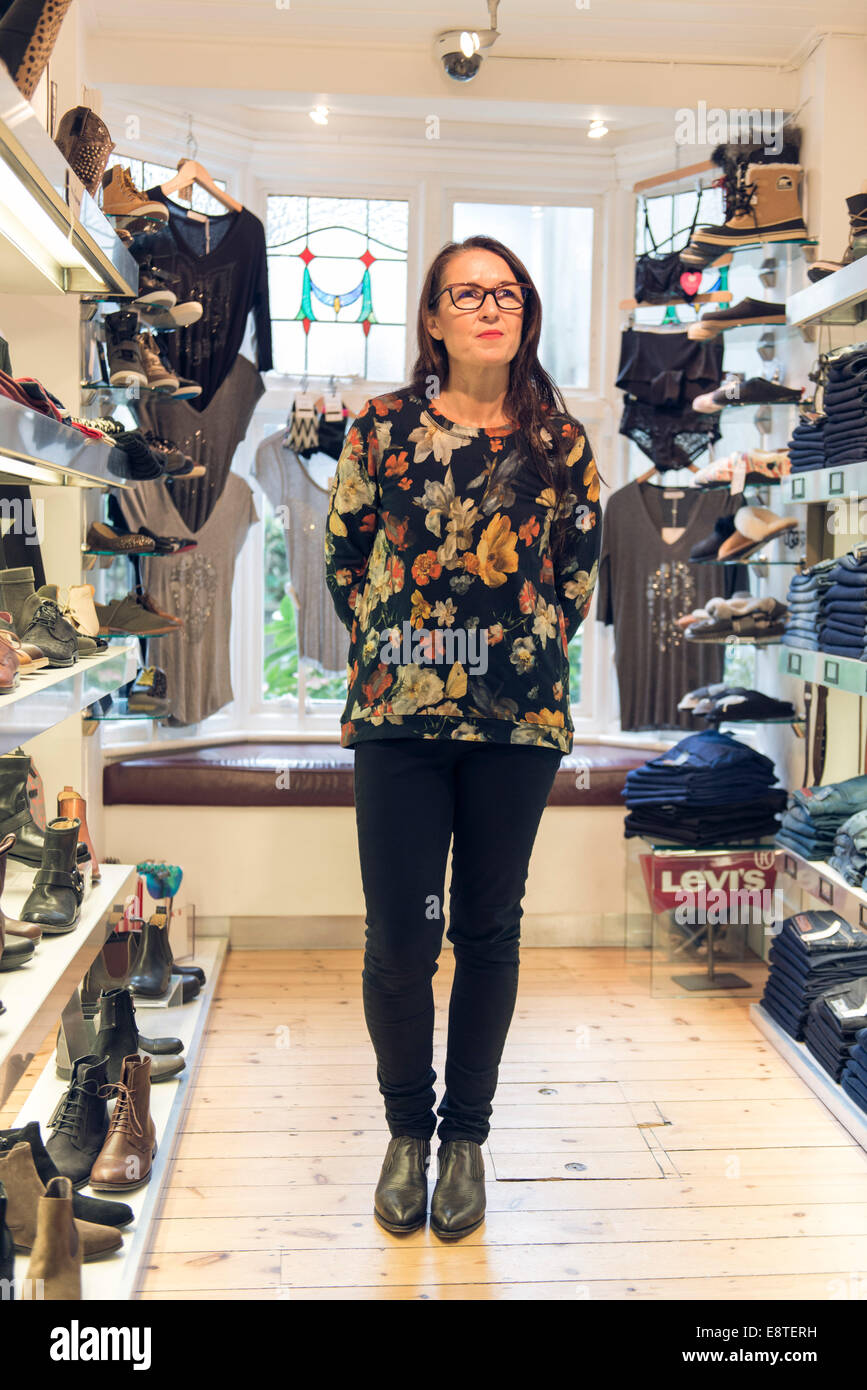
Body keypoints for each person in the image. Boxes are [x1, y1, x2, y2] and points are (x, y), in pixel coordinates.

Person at [324, 234, 603, 1241]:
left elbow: (576, 578)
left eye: (508, 291)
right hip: (399, 717)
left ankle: (467, 1139)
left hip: (516, 722)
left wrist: (508, 657)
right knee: (403, 936)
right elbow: (346, 563)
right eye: (466, 292)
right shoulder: (379, 431)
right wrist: (413, 648)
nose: (492, 305)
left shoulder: (561, 444)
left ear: (525, 315)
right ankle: (407, 1132)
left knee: (488, 929)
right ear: (433, 320)